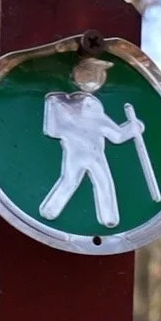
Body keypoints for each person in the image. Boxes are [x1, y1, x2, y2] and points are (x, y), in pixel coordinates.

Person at [38, 57, 145, 227]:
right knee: (71, 181)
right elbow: (54, 130)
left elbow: (117, 136)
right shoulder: (68, 120)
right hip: (77, 156)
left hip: (96, 156)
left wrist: (133, 128)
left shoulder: (99, 118)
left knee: (102, 183)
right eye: (85, 104)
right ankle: (51, 210)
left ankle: (109, 217)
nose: (89, 105)